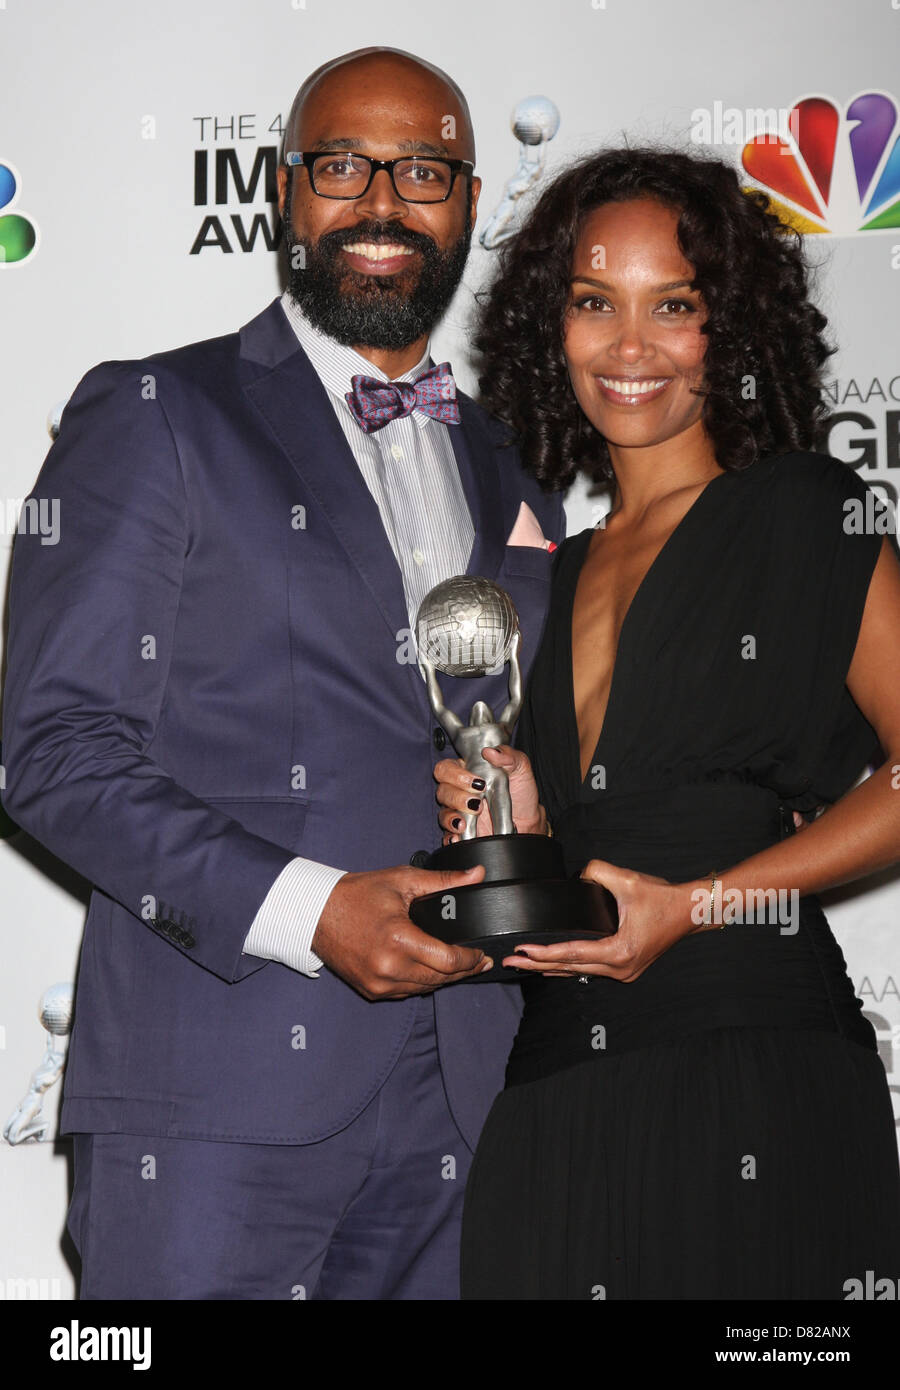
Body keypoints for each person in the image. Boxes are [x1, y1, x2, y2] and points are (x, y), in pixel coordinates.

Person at [0, 47, 564, 1300]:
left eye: (421, 170)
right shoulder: (157, 412)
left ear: (469, 200)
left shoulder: (513, 466)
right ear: (281, 189)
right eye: (340, 165)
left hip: (470, 1096)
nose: (380, 201)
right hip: (213, 1106)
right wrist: (310, 910)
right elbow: (55, 750)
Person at [433, 147, 900, 1299]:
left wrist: (691, 908)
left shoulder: (802, 509)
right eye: (595, 303)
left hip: (751, 1061)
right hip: (558, 1081)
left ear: (727, 332)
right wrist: (522, 821)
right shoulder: (551, 567)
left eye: (673, 307)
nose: (629, 348)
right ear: (554, 325)